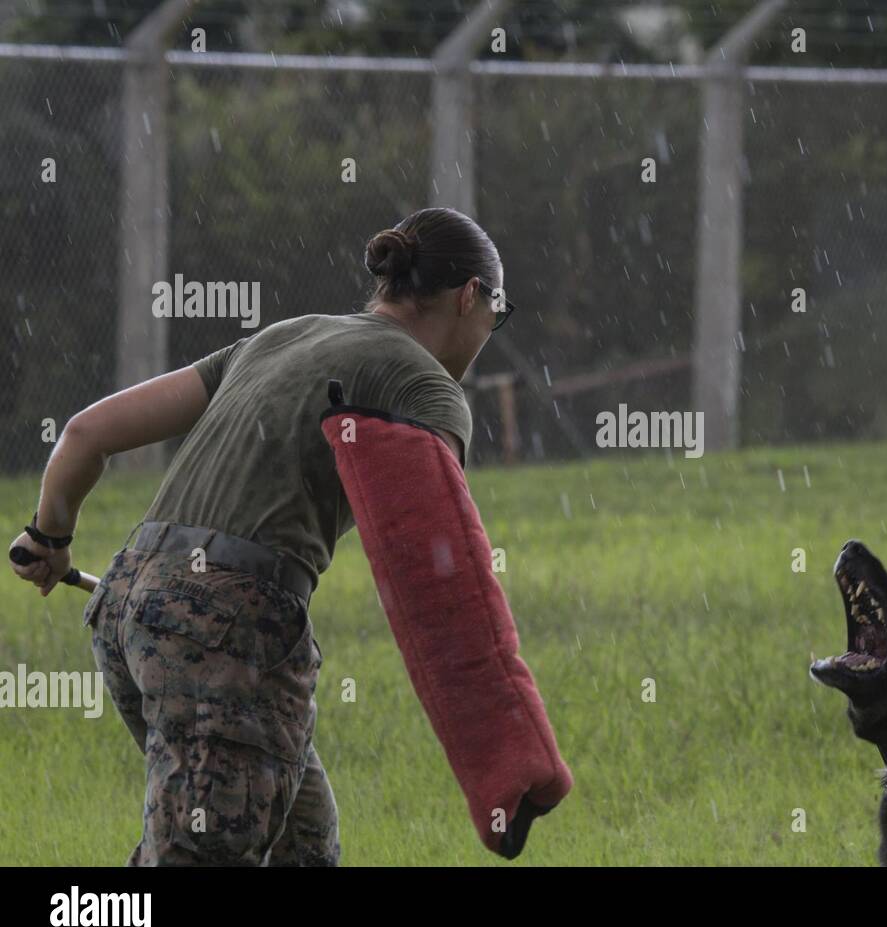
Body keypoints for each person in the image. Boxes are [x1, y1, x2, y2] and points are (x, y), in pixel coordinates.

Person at [9, 206, 563, 865]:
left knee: (301, 844)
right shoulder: (422, 383)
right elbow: (444, 568)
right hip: (226, 630)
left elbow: (85, 435)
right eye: (495, 318)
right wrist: (505, 747)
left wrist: (49, 537)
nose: (488, 334)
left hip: (129, 603)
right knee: (205, 850)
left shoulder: (279, 338)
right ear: (472, 295)